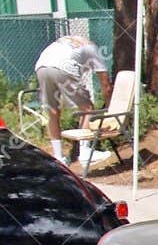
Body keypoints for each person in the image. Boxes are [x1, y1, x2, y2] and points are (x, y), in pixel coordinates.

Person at [33, 35, 112, 166]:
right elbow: (105, 84)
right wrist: (109, 108)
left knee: (52, 112)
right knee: (87, 109)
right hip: (65, 68)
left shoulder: (66, 40)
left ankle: (58, 157)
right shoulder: (93, 49)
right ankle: (85, 152)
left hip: (41, 66)